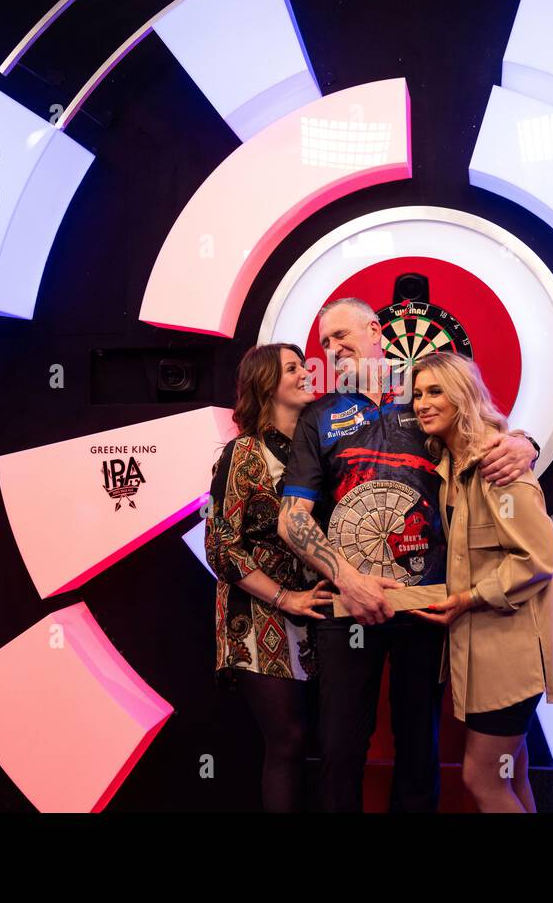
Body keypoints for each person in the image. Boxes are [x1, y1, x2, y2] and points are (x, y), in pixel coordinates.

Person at [276, 297, 541, 812]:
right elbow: (292, 517)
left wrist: (526, 442)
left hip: (429, 602)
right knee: (338, 750)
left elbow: (488, 430)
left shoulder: (426, 395)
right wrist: (349, 580)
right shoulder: (320, 416)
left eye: (341, 335)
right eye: (324, 343)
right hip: (347, 606)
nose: (331, 349)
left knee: (419, 747)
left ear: (376, 330)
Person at [407, 351, 553, 813]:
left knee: (482, 778)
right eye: (417, 394)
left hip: (510, 657)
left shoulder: (497, 465)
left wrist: (467, 599)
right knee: (513, 774)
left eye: (434, 391)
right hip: (486, 653)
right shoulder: (455, 465)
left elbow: (535, 559)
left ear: (462, 395)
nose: (422, 403)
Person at [205, 342, 333, 812]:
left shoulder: (318, 448)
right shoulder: (243, 454)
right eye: (294, 368)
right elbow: (221, 548)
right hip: (258, 613)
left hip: (315, 613)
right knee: (288, 740)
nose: (306, 373)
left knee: (316, 740)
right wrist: (286, 599)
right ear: (266, 385)